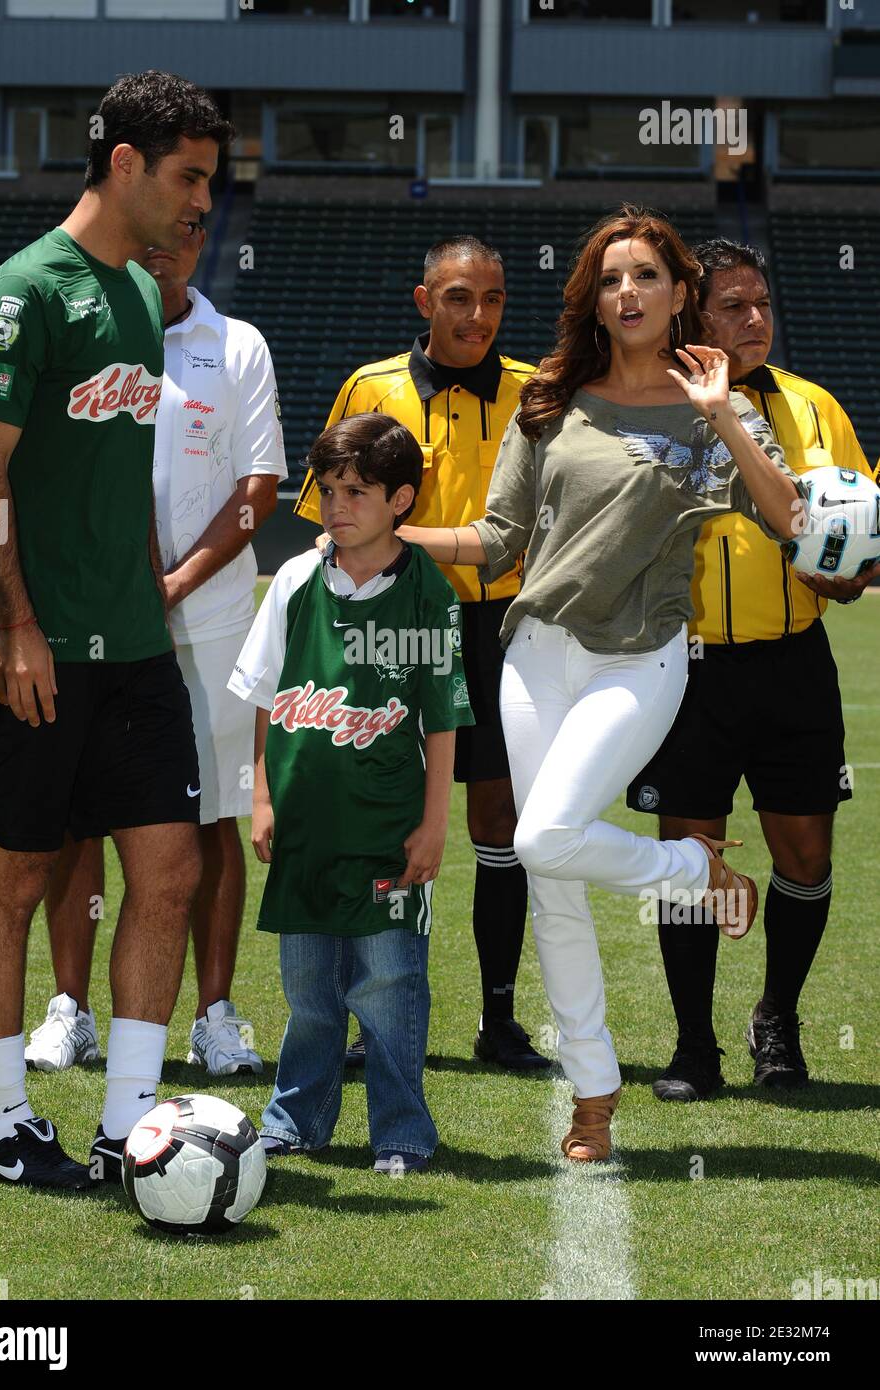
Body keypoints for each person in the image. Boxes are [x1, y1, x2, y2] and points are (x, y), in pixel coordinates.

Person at [399, 205, 803, 1161]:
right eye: (612, 278)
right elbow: (499, 541)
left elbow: (790, 518)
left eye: (648, 278)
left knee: (542, 837)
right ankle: (594, 1093)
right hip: (534, 651)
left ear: (678, 296)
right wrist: (397, 536)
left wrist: (718, 417)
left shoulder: (721, 406)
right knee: (552, 878)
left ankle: (693, 870)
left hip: (641, 658)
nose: (628, 293)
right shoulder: (552, 395)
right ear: (594, 295)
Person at [0, 71, 233, 1190]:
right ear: (124, 165)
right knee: (10, 887)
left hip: (135, 649)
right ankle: (7, 1123)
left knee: (166, 872)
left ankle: (129, 1126)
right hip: (30, 652)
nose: (202, 201)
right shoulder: (28, 291)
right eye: (189, 177)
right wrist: (16, 623)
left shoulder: (135, 295)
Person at [24, 216, 287, 1080]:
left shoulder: (236, 344)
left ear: (205, 244)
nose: (166, 247)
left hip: (208, 627)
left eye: (188, 233)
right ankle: (71, 1008)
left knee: (210, 823)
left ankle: (214, 1014)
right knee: (78, 822)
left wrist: (172, 585)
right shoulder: (84, 327)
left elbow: (259, 492)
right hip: (94, 623)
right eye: (156, 232)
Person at [625, 239, 880, 1100]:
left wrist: (850, 574)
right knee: (687, 857)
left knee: (804, 852)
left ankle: (777, 1017)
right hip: (684, 670)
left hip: (793, 665)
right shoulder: (651, 406)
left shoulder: (814, 407)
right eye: (733, 306)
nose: (755, 319)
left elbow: (861, 539)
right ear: (695, 315)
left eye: (763, 303)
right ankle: (694, 1046)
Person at [294, 236, 549, 1073]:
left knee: (498, 822)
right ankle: (377, 1021)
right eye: (459, 298)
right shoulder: (373, 389)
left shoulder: (536, 395)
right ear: (423, 301)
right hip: (397, 626)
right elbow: (331, 513)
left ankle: (499, 1018)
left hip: (509, 629)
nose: (478, 316)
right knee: (394, 822)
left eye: (495, 299)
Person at [230, 414, 473, 1173]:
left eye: (356, 492)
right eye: (328, 490)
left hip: (389, 831)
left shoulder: (429, 591)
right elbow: (266, 696)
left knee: (390, 986)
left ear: (401, 500)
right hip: (304, 827)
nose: (336, 506)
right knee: (307, 990)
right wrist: (263, 795)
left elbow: (441, 720)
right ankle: (296, 1120)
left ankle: (401, 1130)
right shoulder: (297, 581)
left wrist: (435, 824)